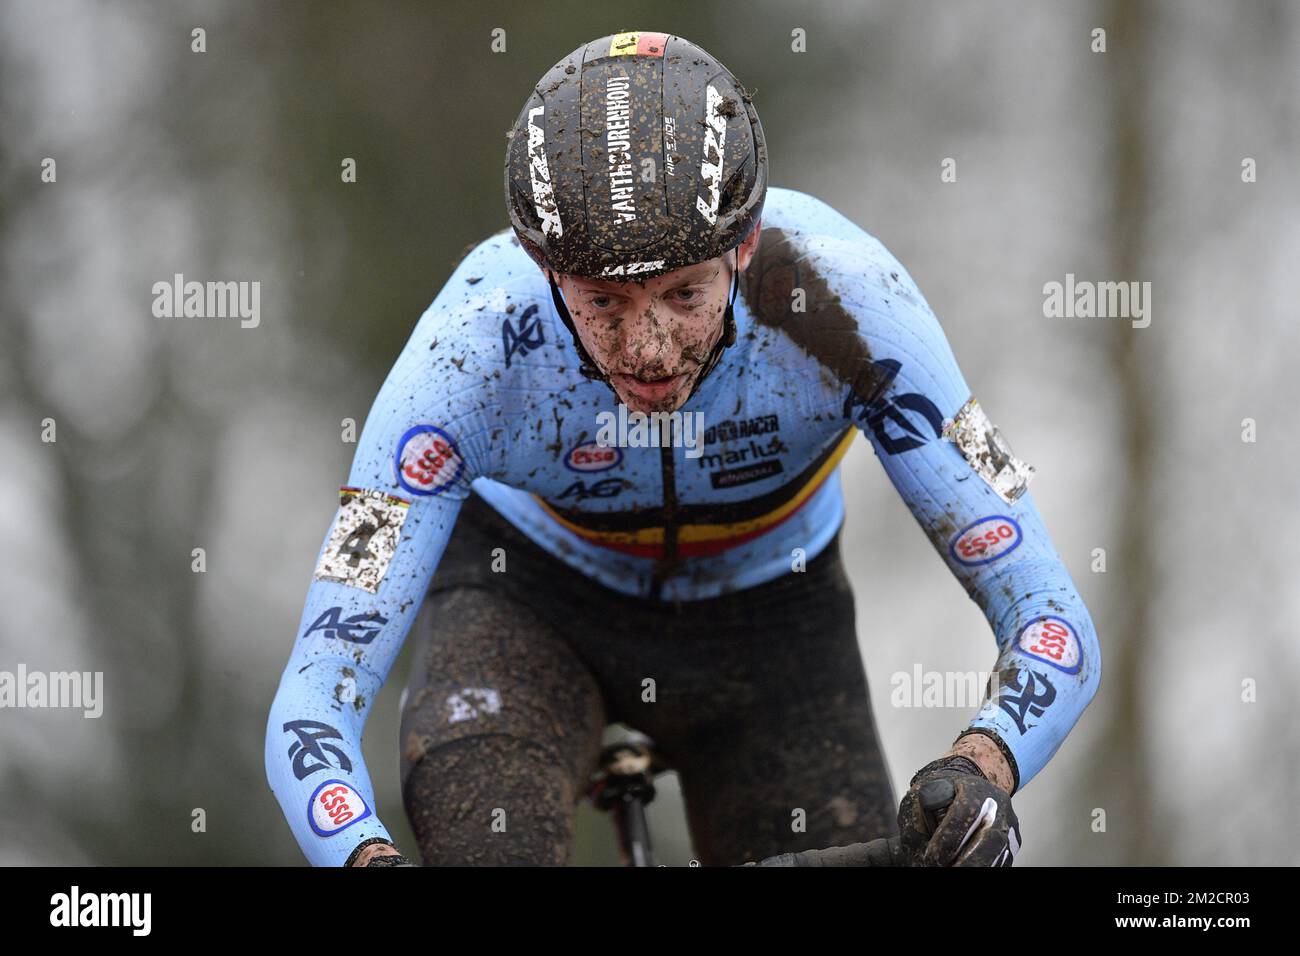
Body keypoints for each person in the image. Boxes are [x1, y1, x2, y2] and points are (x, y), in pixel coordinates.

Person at [265, 30, 1099, 868]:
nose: (651, 351)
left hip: (773, 618)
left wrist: (982, 765)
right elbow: (313, 701)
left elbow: (1051, 618)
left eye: (683, 293)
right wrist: (364, 858)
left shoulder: (853, 306)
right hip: (527, 609)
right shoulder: (463, 357)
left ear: (745, 244)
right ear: (543, 269)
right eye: (604, 303)